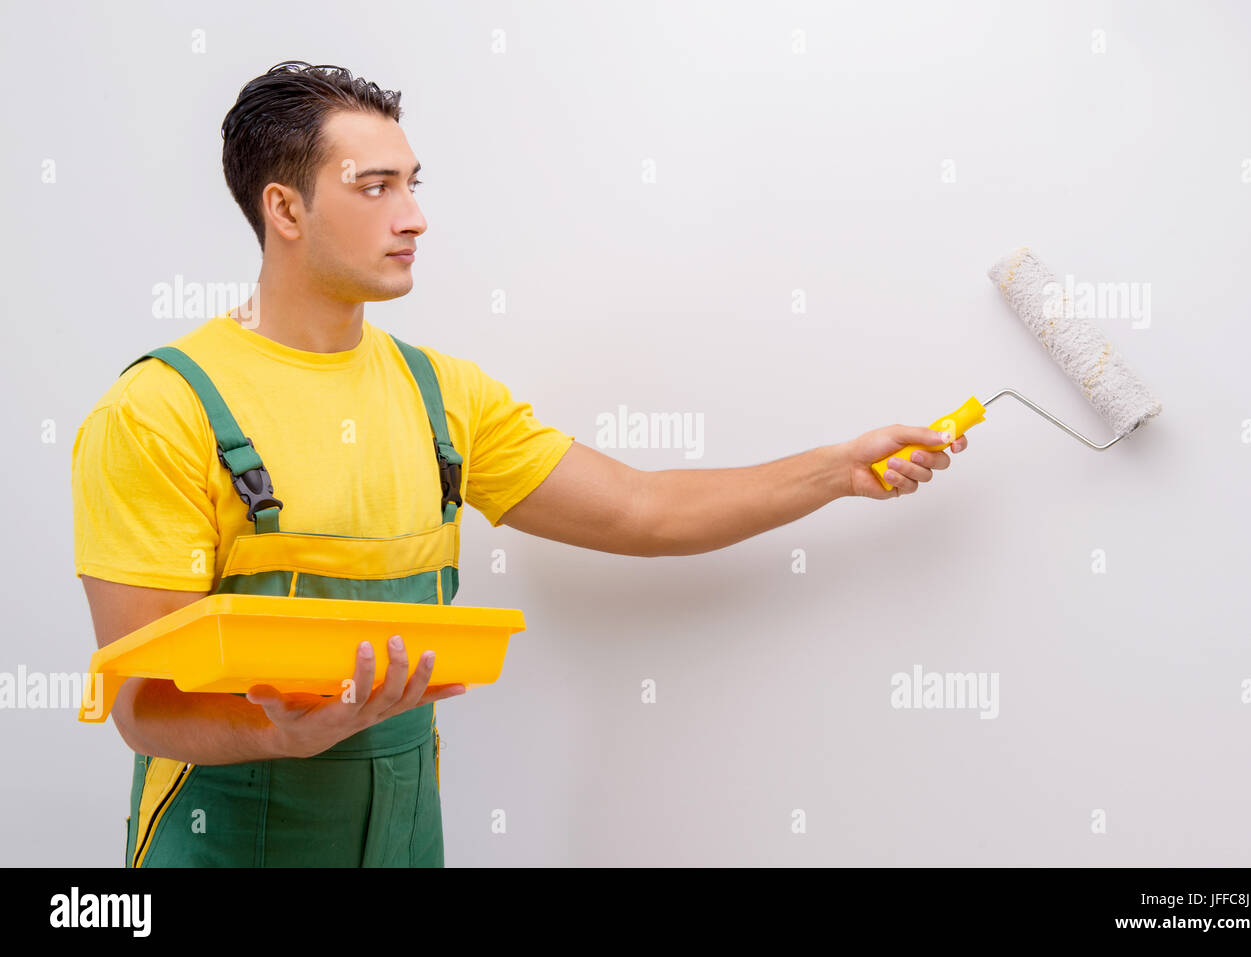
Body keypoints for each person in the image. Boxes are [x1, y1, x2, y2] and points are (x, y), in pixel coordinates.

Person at [71, 61, 969, 868]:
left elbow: (642, 509)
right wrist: (282, 734)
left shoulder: (441, 397)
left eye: (413, 184)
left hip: (407, 838)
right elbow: (141, 701)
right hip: (226, 840)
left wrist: (836, 469)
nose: (414, 216)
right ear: (286, 210)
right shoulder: (161, 411)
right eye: (375, 187)